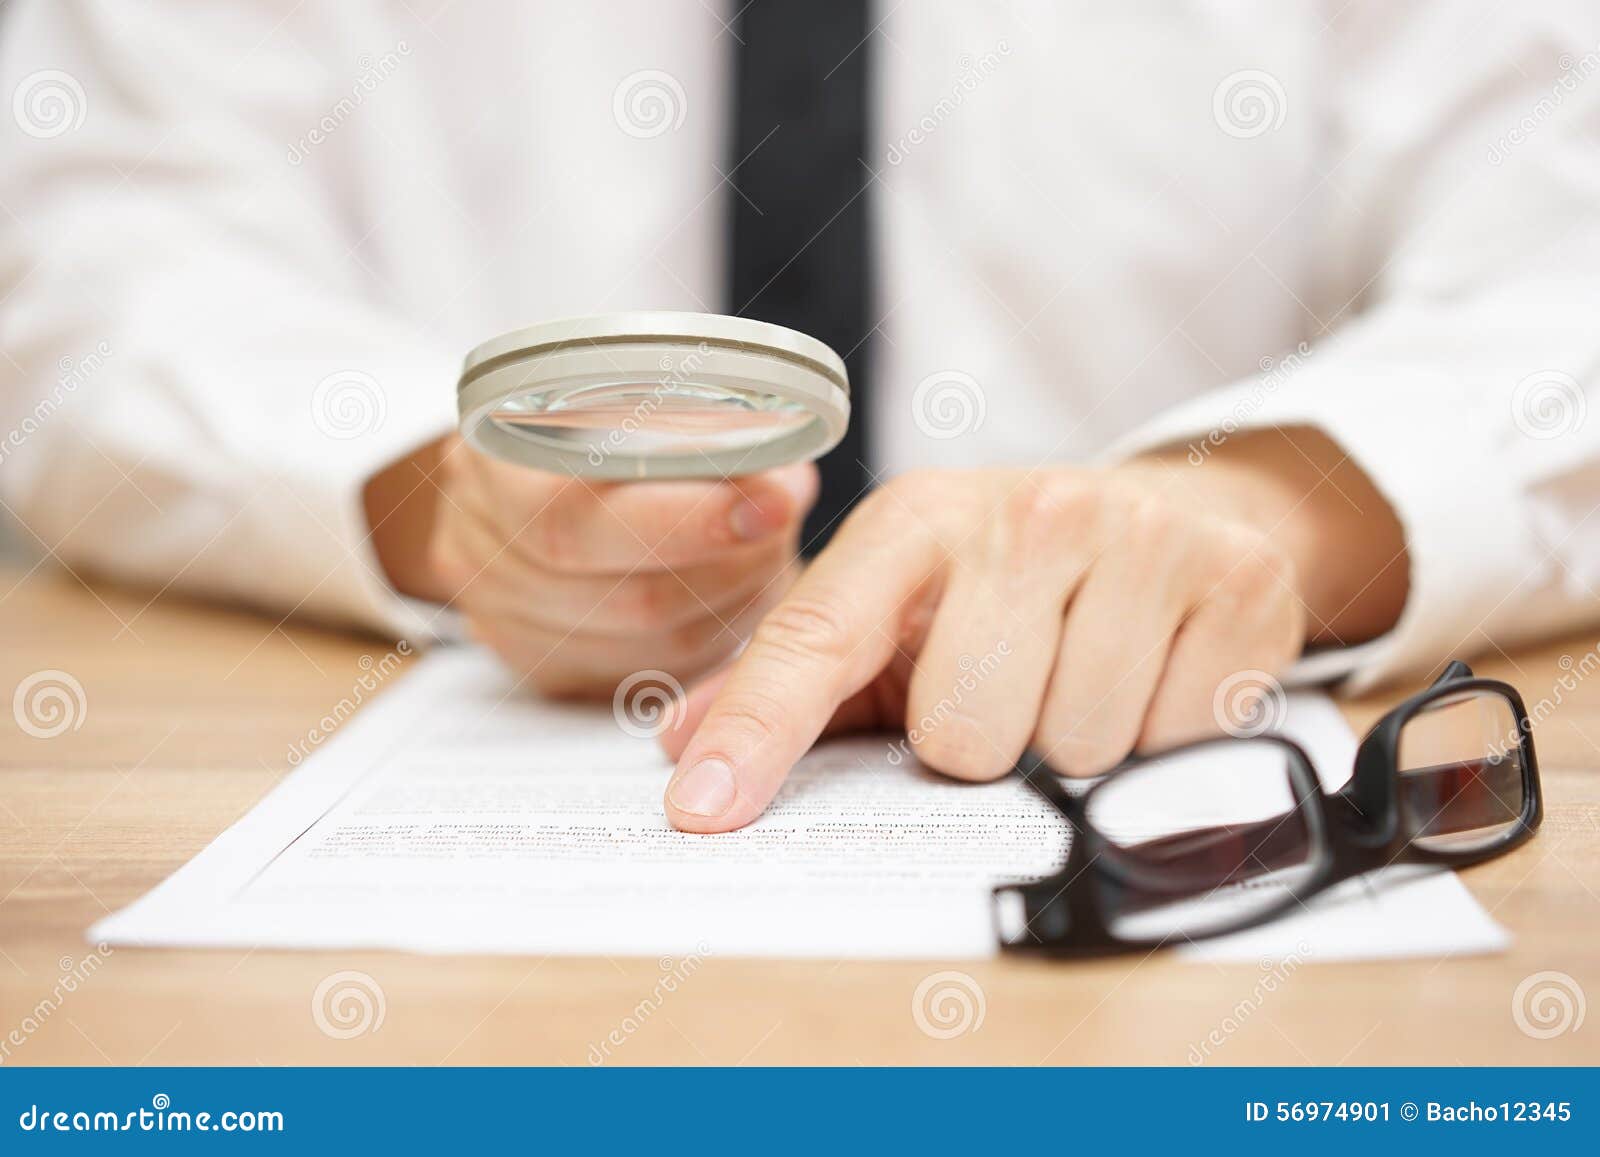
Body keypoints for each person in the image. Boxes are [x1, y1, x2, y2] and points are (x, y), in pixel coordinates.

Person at [2, 2, 1597, 835]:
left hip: (1154, 782)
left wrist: (1274, 511)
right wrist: (464, 501)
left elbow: (1567, 247)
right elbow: (94, 258)